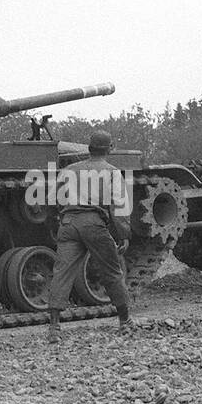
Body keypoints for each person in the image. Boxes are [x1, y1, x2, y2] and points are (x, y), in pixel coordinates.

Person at [46, 130, 132, 343]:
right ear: (110, 149)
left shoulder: (69, 170)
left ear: (89, 147)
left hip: (69, 224)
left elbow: (52, 199)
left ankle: (54, 328)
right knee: (112, 271)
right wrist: (123, 234)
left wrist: (59, 221)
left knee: (61, 273)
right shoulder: (111, 172)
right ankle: (125, 322)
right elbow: (119, 207)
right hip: (94, 224)